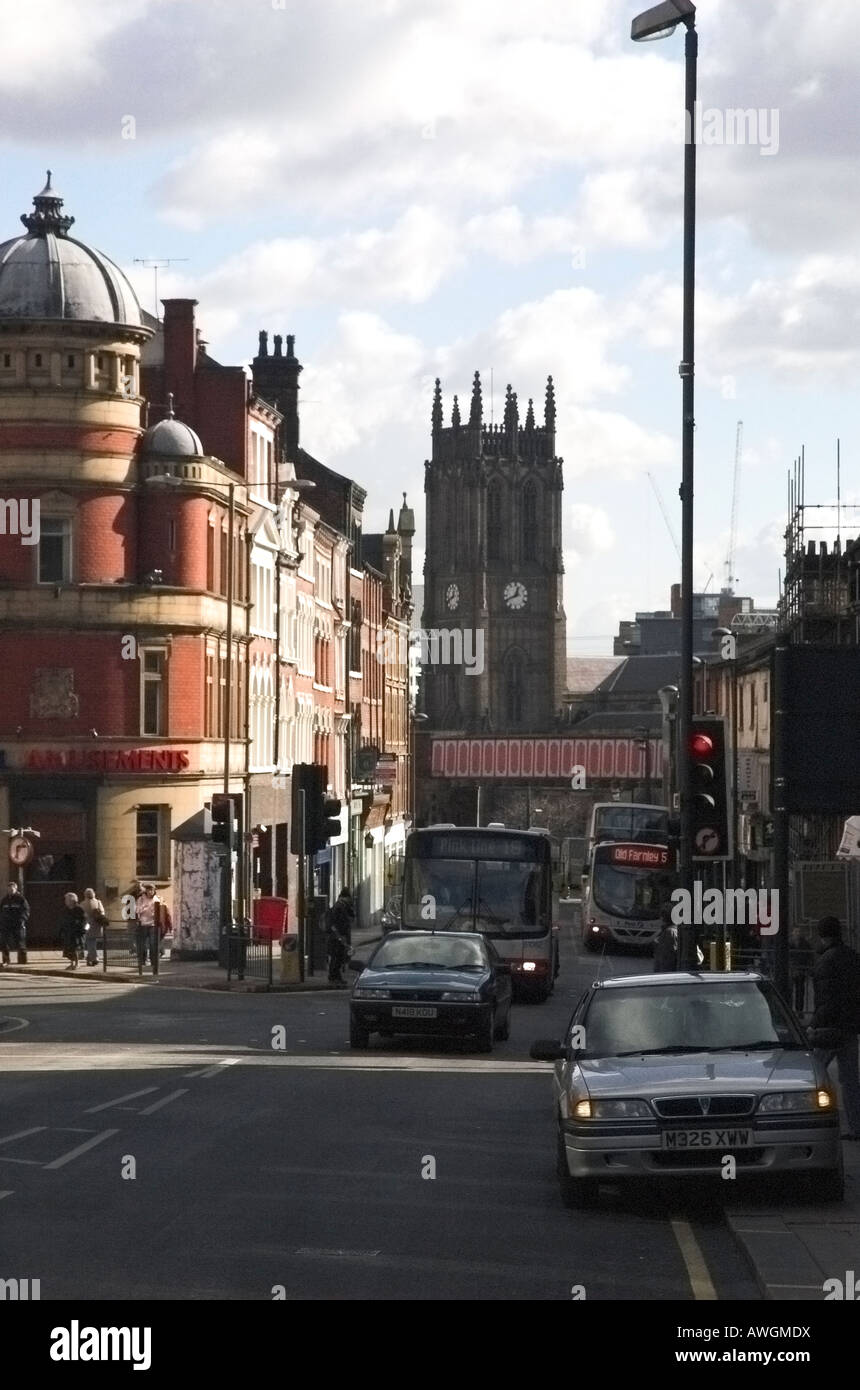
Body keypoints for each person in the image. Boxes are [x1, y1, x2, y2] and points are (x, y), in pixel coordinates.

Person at [811, 916, 860, 1140]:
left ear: (823, 935)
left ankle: (812, 1119)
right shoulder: (853, 958)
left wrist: (813, 1025)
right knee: (850, 1080)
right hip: (850, 1027)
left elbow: (825, 1001)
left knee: (813, 1072)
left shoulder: (824, 962)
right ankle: (856, 1126)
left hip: (829, 1030)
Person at [326, 888, 354, 986]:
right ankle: (333, 977)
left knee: (339, 958)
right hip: (337, 938)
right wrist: (340, 937)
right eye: (349, 898)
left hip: (339, 937)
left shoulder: (342, 906)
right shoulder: (339, 907)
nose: (350, 901)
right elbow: (334, 924)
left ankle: (336, 977)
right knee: (336, 958)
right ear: (345, 897)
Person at [134, 882, 162, 975]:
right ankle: (143, 960)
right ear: (146, 890)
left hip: (153, 924)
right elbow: (137, 910)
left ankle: (154, 961)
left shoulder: (156, 899)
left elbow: (160, 911)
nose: (150, 892)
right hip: (143, 924)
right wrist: (145, 908)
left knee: (153, 944)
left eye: (152, 890)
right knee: (143, 944)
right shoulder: (141, 899)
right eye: (148, 890)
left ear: (154, 891)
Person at [0, 881, 30, 966]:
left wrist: (22, 920)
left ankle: (22, 961)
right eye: (8, 889)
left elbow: (26, 910)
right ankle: (6, 961)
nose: (10, 890)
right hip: (6, 924)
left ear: (16, 889)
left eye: (12, 889)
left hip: (18, 924)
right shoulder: (4, 900)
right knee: (4, 942)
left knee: (20, 942)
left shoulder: (21, 899)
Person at [59, 892, 86, 970]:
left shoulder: (79, 909)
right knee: (69, 949)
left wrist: (83, 930)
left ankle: (77, 963)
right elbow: (62, 920)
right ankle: (71, 963)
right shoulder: (65, 910)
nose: (65, 901)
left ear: (72, 900)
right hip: (68, 932)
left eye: (67, 900)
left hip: (76, 932)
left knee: (75, 949)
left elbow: (85, 921)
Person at [81, 886, 107, 967]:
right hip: (97, 924)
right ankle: (89, 958)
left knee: (89, 941)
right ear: (94, 894)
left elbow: (82, 915)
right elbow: (103, 913)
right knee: (92, 941)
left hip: (87, 925)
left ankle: (94, 958)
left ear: (85, 895)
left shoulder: (82, 904)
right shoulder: (98, 902)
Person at [653, 905, 678, 973]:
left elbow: (667, 958)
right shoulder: (670, 931)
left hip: (665, 972)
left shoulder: (669, 932)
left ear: (663, 918)